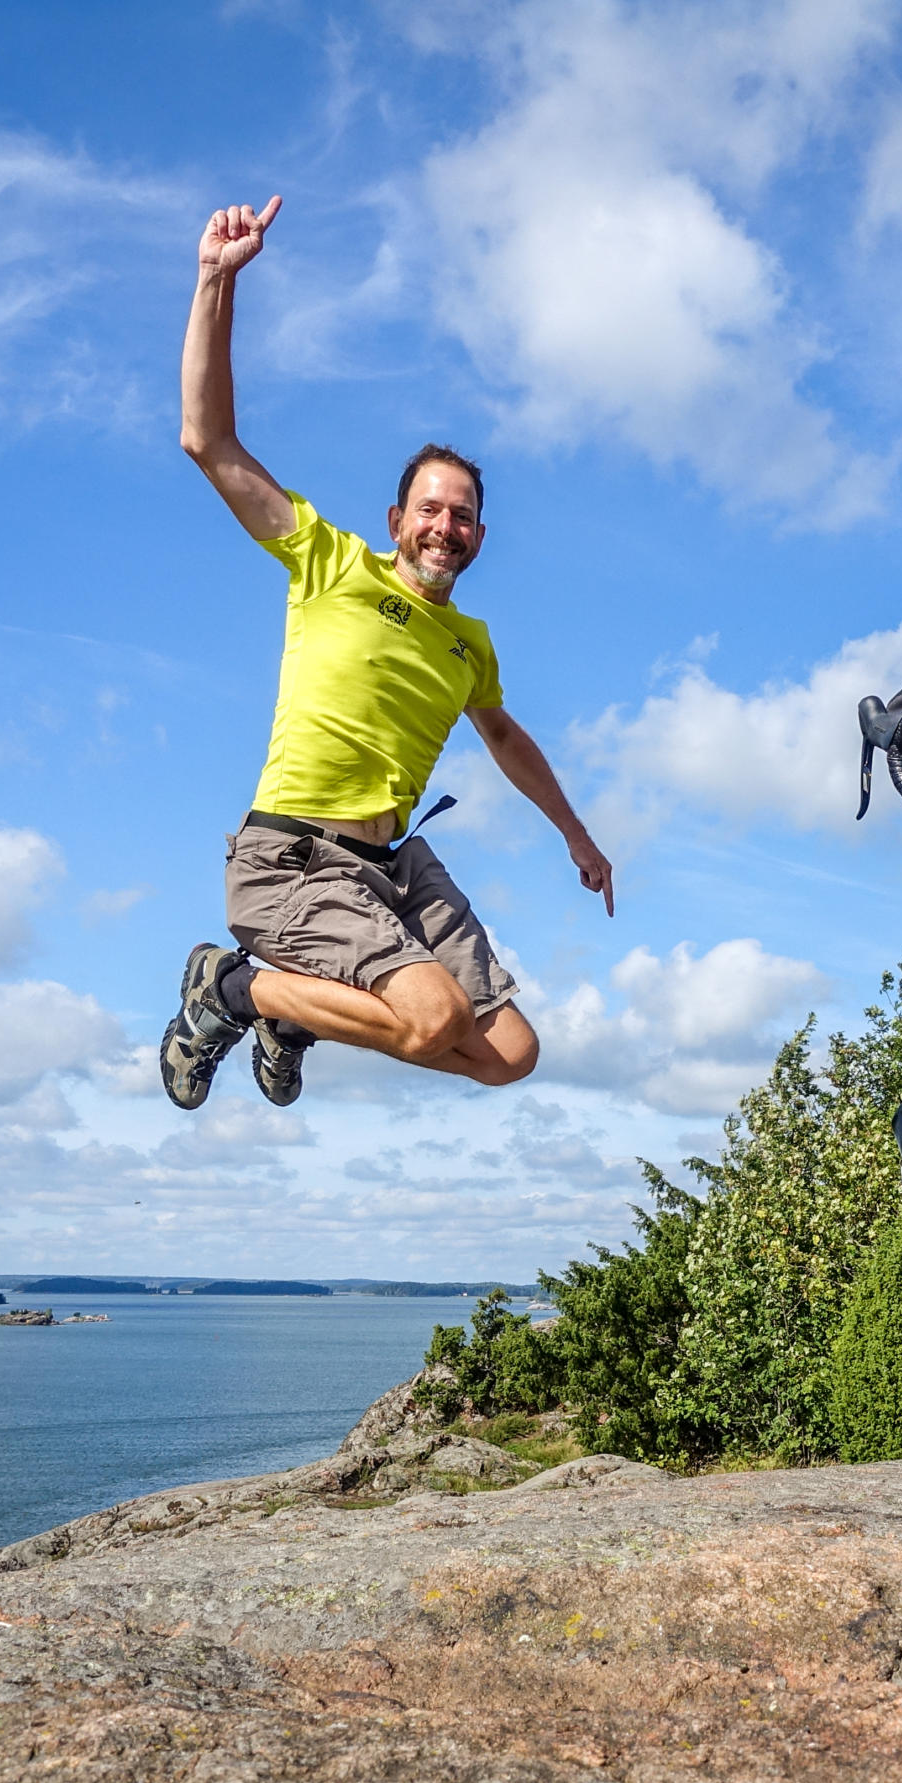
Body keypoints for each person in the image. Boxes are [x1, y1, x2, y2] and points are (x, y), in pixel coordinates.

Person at [159, 197, 614, 1110]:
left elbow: (505, 737)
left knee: (510, 1053)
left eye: (464, 514)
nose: (446, 526)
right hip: (291, 860)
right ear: (397, 520)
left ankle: (298, 1013)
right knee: (428, 1016)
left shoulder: (467, 643)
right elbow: (208, 442)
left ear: (480, 534)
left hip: (393, 866)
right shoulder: (328, 562)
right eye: (430, 510)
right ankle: (232, 989)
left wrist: (574, 831)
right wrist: (217, 280)